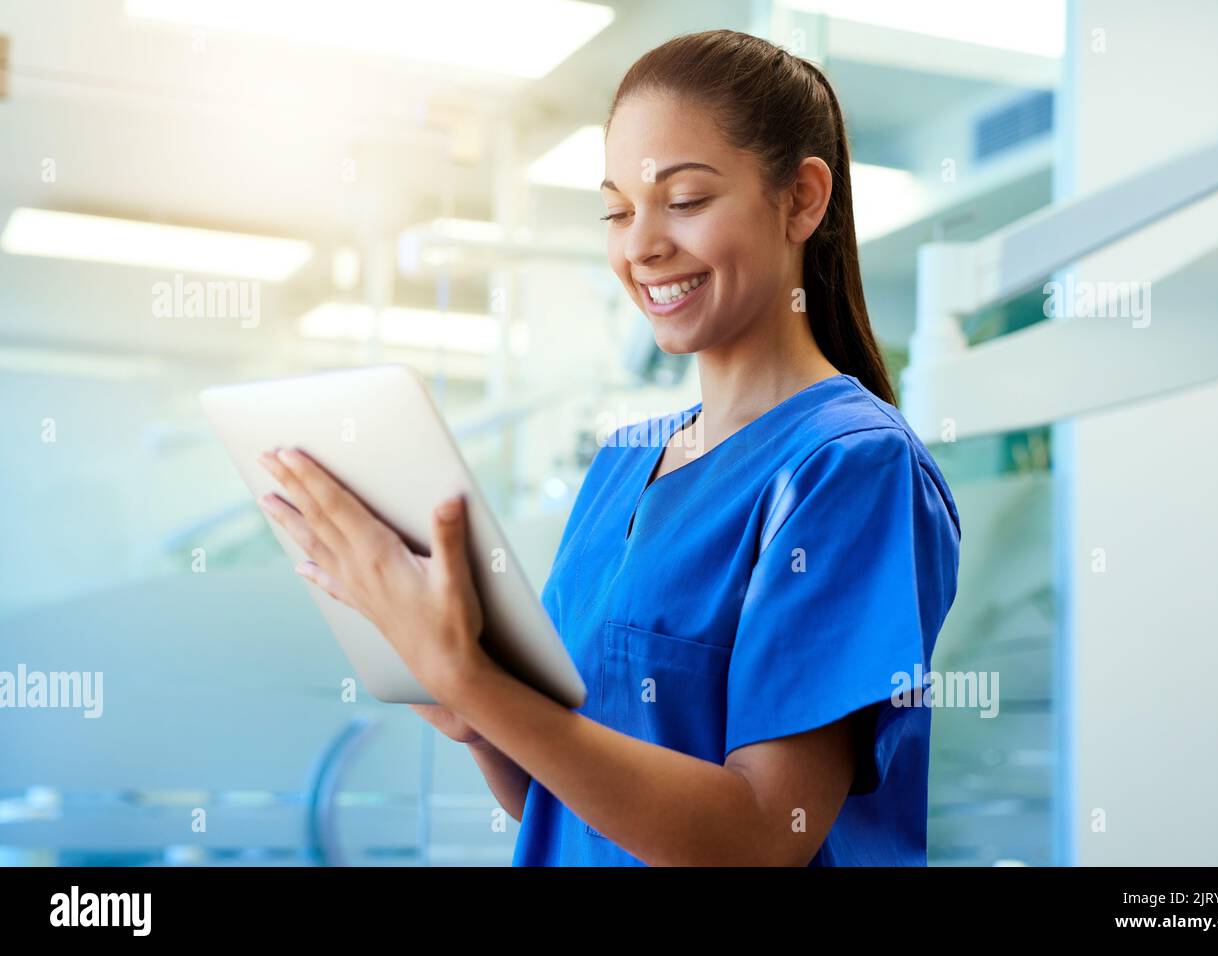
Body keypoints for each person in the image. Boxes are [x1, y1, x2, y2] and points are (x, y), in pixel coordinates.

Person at [256, 29, 961, 866]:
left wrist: (477, 685)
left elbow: (766, 834)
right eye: (618, 210)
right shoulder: (622, 464)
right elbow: (550, 801)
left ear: (802, 200)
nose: (641, 245)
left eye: (686, 200)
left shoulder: (850, 468)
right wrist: (473, 717)